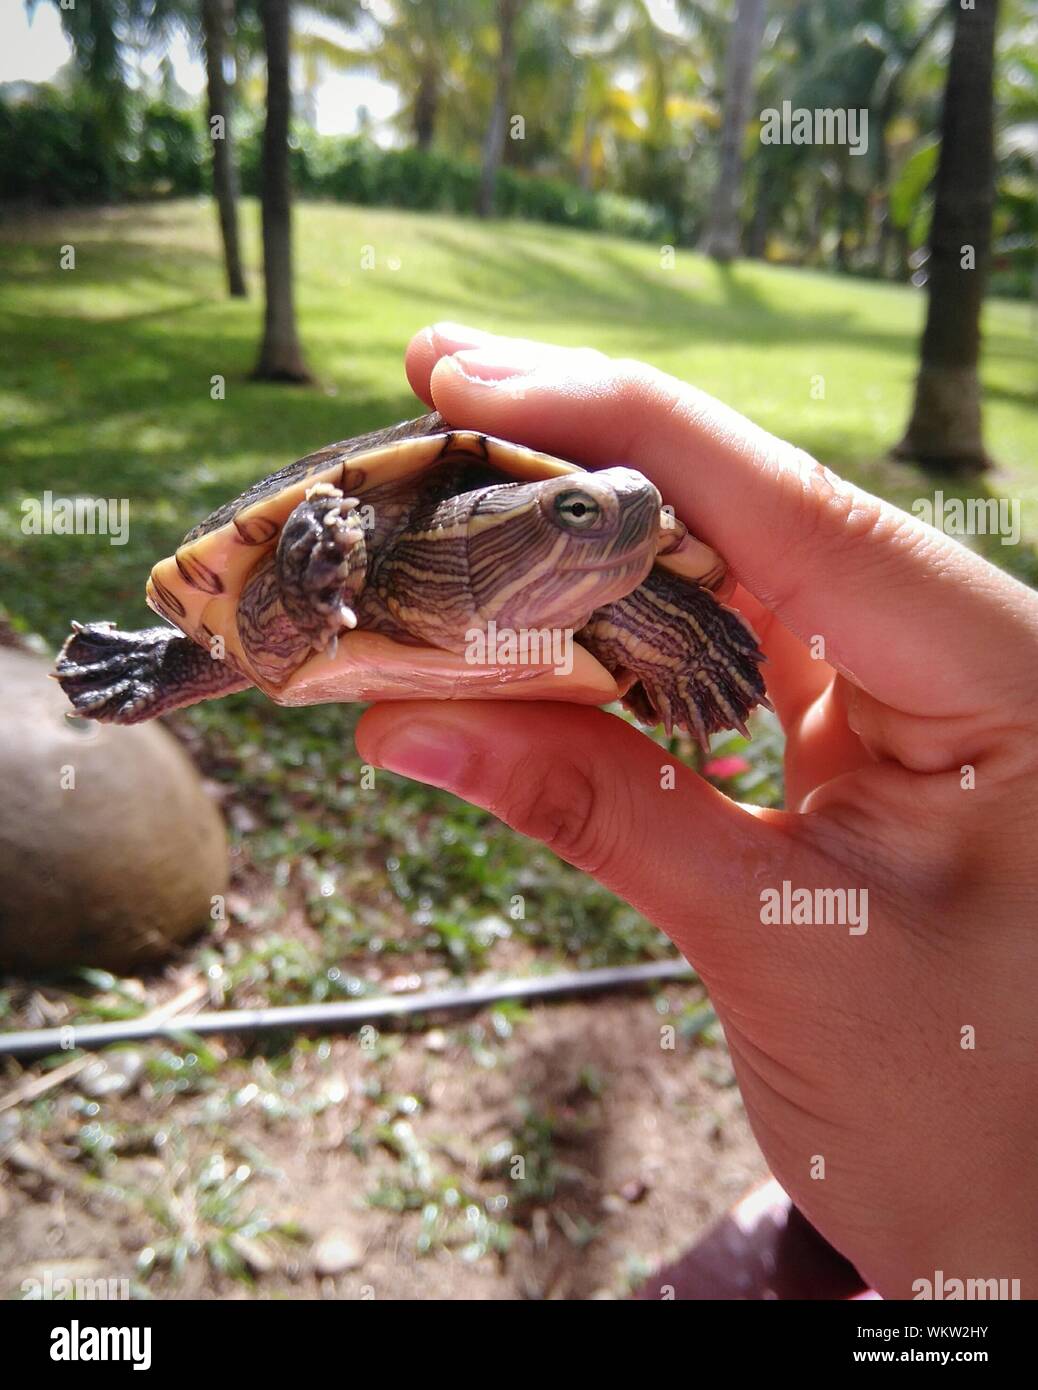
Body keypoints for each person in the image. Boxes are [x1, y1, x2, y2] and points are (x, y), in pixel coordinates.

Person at [356, 323, 1038, 1301]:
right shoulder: (402, 532)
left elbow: (637, 561)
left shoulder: (613, 577)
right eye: (589, 509)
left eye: (644, 513)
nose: (633, 518)